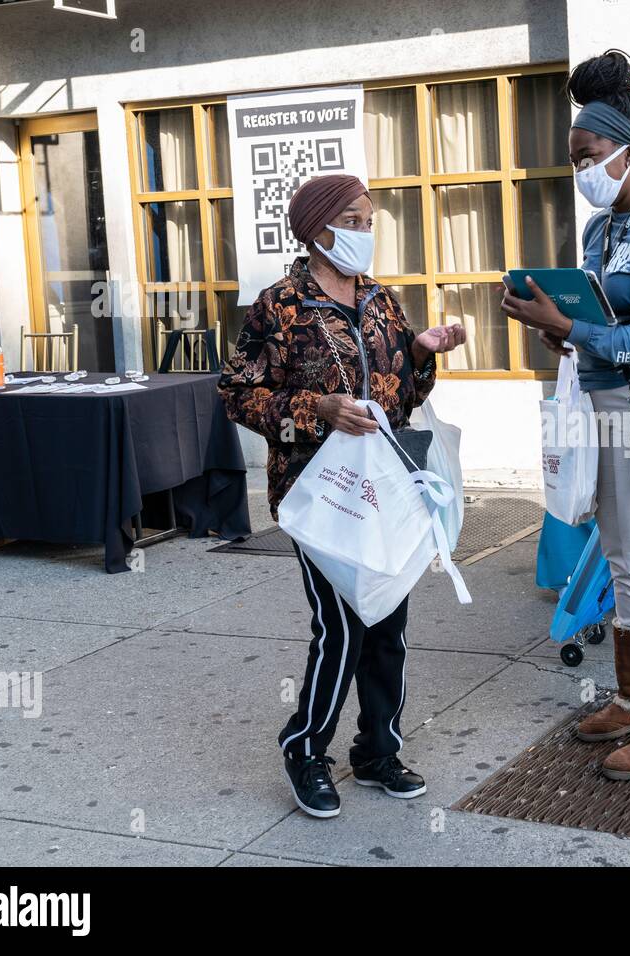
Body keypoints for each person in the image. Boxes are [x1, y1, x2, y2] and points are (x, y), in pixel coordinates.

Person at [218, 174, 467, 817]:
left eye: (369, 218)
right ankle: (305, 750)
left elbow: (405, 395)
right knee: (341, 624)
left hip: (385, 486)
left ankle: (377, 751)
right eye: (353, 219)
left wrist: (419, 351)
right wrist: (315, 408)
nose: (366, 230)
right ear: (318, 229)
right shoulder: (280, 306)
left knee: (387, 619)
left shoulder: (381, 300)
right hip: (316, 493)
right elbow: (237, 394)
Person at [501, 50, 630, 780]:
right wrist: (552, 322)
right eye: (574, 158)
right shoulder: (601, 232)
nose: (580, 169)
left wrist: (573, 328)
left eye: (588, 155)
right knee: (620, 557)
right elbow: (597, 320)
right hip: (607, 404)